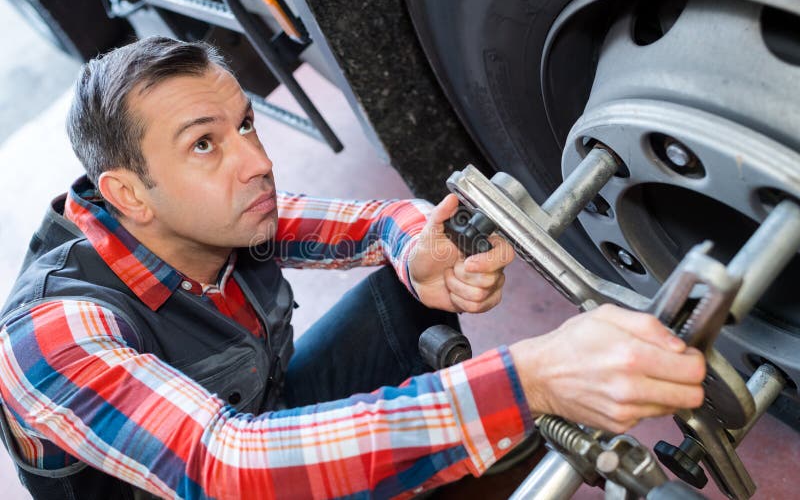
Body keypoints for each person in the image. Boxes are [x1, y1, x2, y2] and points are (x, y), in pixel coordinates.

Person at [0, 37, 706, 500]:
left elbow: (373, 225)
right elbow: (227, 465)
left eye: (245, 124)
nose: (256, 161)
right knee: (497, 402)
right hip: (213, 473)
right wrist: (529, 379)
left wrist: (422, 251)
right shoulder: (52, 333)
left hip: (261, 418)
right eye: (205, 146)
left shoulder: (213, 213)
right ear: (127, 193)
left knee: (408, 301)